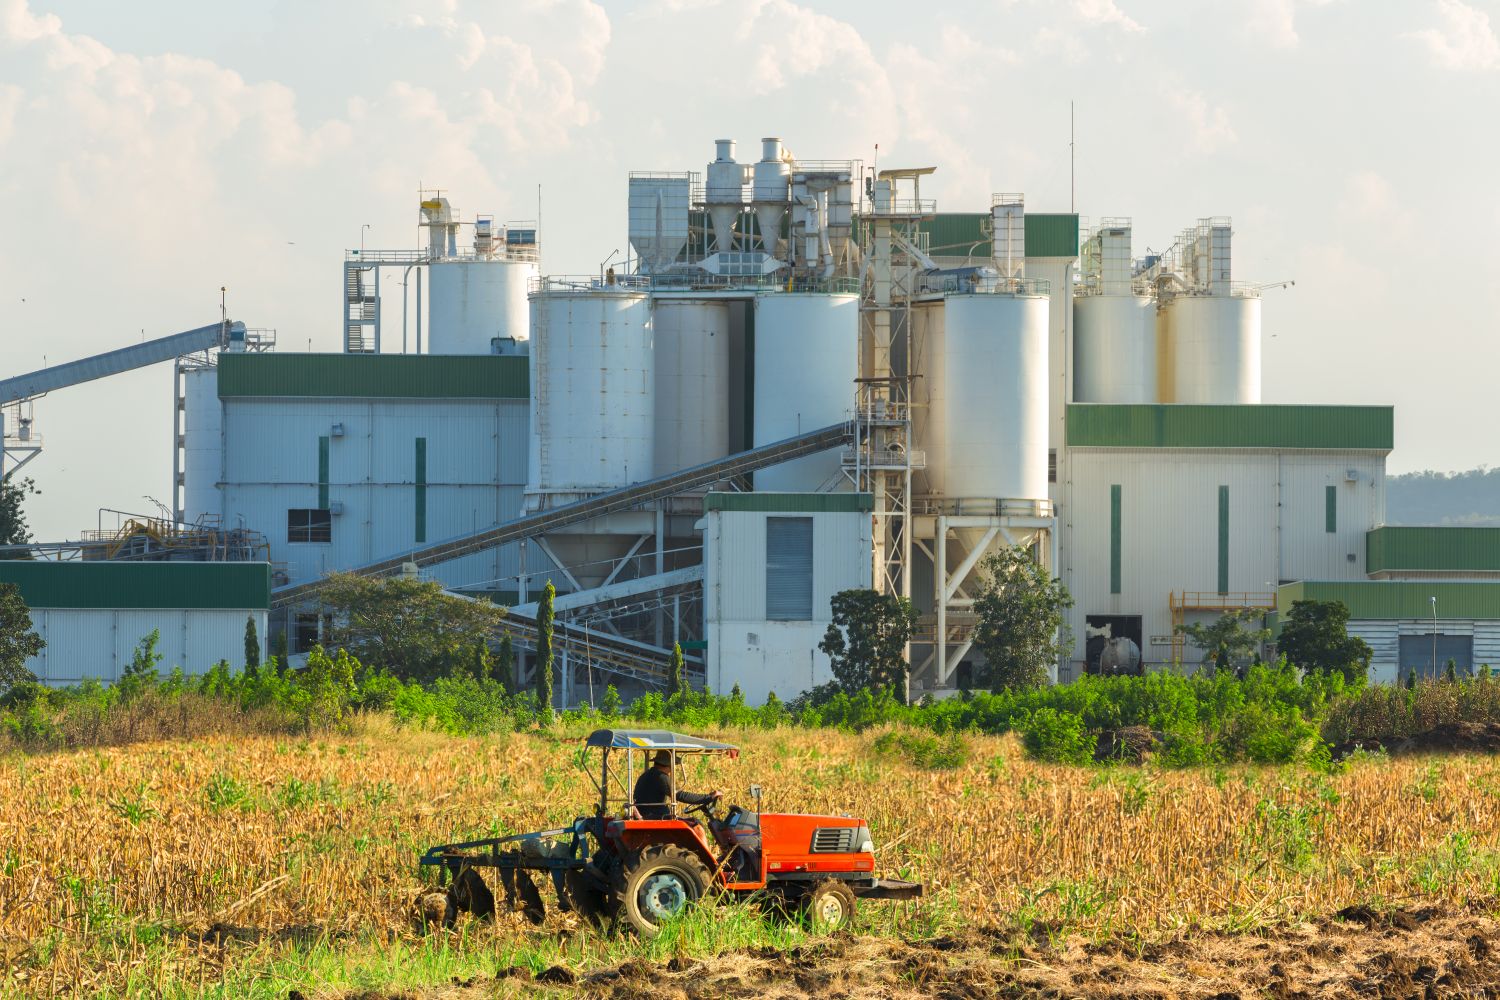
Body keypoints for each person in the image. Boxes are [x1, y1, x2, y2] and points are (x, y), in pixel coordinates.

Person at [632, 750, 721, 820]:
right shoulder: (660, 777)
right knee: (697, 827)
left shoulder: (649, 773)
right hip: (655, 817)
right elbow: (679, 795)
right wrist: (708, 797)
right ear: (669, 764)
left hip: (651, 814)